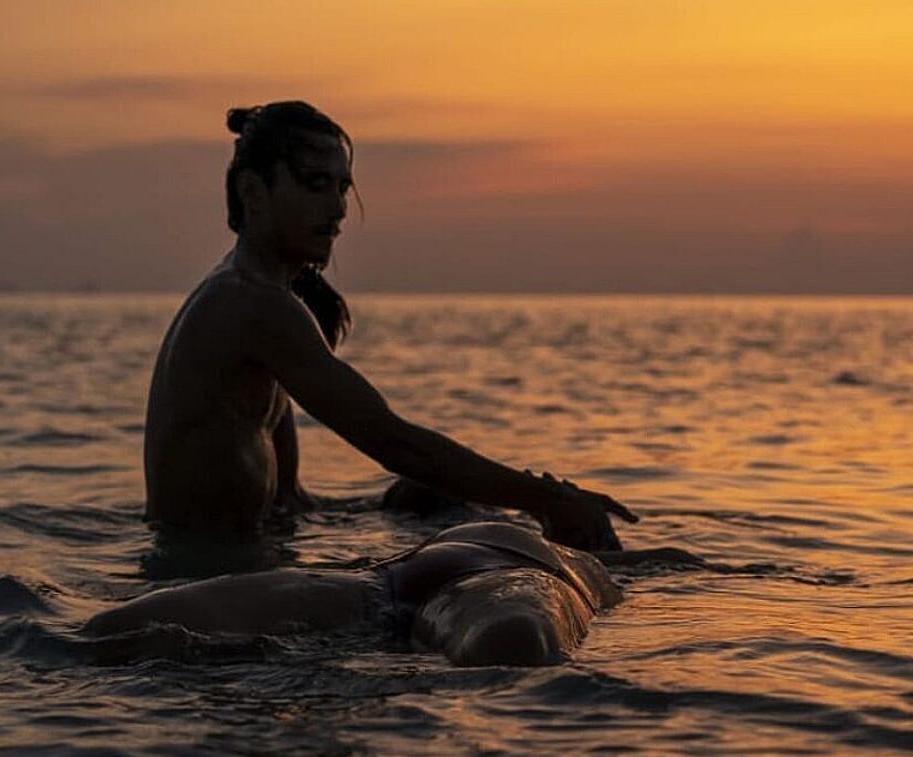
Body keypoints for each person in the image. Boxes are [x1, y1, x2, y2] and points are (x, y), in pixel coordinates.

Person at [143, 101, 635, 551]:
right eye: (316, 185)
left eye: (342, 188)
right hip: (202, 586)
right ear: (253, 191)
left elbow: (288, 506)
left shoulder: (261, 301)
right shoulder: (250, 305)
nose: (337, 208)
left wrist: (391, 506)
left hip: (235, 571)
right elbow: (392, 442)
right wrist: (547, 498)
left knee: (441, 509)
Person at [85, 523, 623, 666]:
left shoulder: (583, 566)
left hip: (462, 583)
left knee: (512, 639)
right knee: (110, 630)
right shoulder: (469, 532)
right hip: (376, 583)